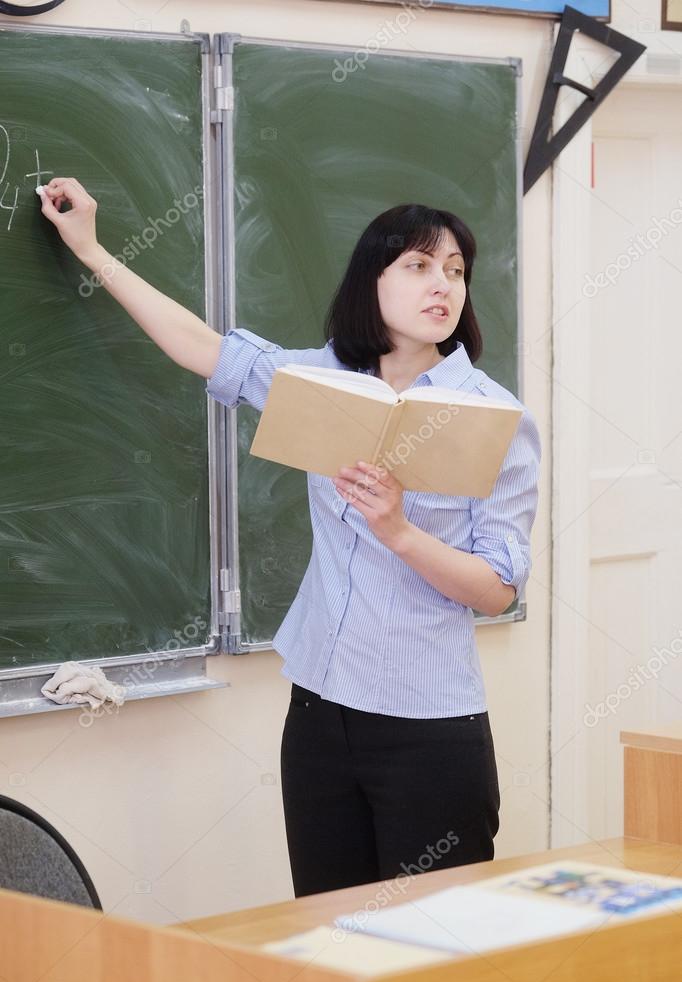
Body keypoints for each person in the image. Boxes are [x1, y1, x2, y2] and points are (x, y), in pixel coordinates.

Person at [40, 178, 541, 898]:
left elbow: (497, 589)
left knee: (432, 958)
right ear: (373, 281)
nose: (444, 284)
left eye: (456, 270)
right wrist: (91, 249)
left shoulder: (496, 416)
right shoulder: (323, 379)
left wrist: (398, 531)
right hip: (318, 717)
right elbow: (199, 346)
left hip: (429, 730)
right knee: (328, 937)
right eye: (420, 265)